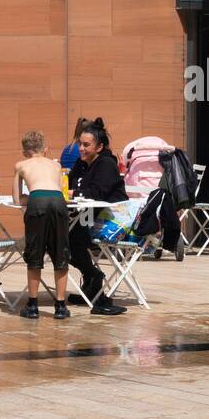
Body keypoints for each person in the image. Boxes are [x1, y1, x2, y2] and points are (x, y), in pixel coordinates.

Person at [68, 118, 129, 316]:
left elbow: (97, 193)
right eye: (80, 144)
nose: (81, 149)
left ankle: (94, 278)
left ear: (99, 146)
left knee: (70, 236)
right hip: (87, 217)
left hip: (113, 222)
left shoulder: (106, 164)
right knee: (58, 235)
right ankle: (92, 278)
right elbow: (69, 185)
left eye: (86, 145)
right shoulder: (82, 163)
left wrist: (74, 193)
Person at [14, 130, 70, 320]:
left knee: (35, 253)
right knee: (60, 252)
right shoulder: (56, 165)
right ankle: (61, 306)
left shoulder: (21, 165)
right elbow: (61, 189)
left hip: (37, 201)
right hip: (57, 201)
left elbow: (16, 199)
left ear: (24, 152)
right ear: (45, 150)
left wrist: (26, 197)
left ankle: (32, 305)